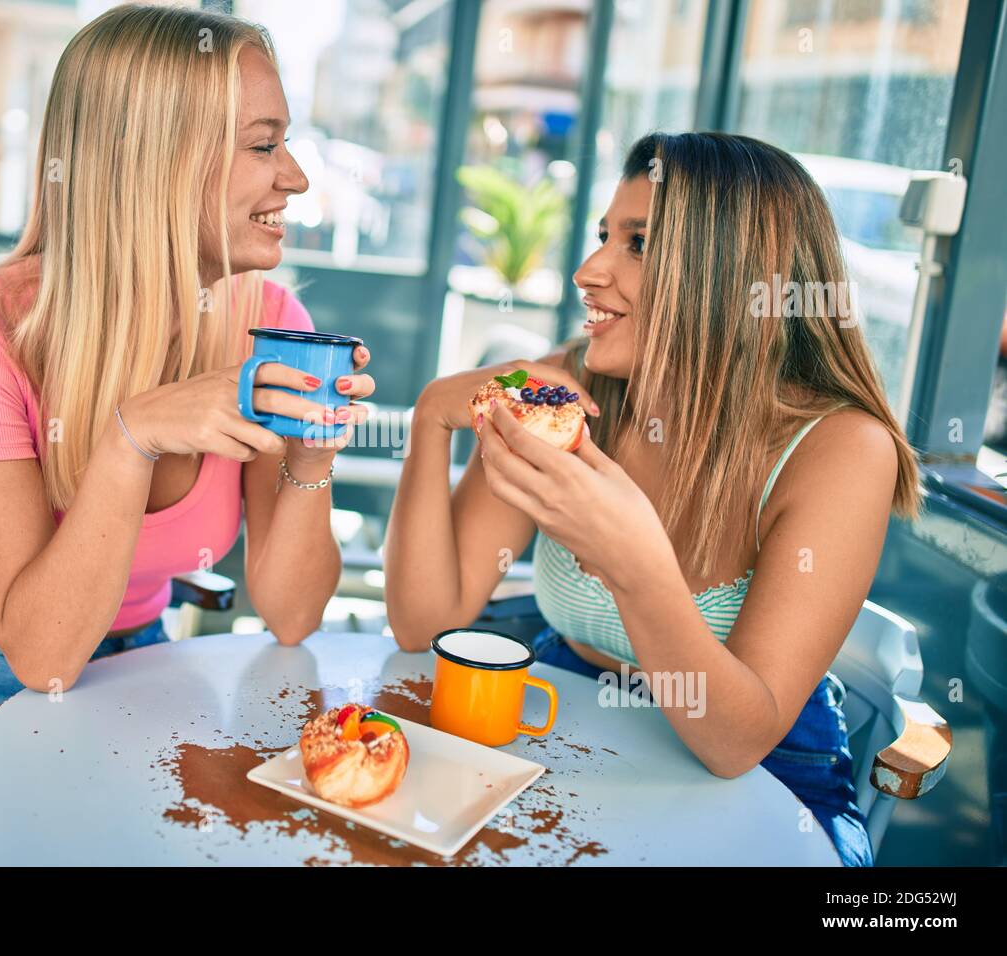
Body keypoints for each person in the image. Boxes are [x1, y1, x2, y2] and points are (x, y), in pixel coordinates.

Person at [0, 4, 374, 866]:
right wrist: (131, 440)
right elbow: (44, 658)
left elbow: (291, 613)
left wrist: (312, 459)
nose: (298, 179)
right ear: (156, 159)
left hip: (140, 674)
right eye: (265, 145)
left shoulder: (271, 322)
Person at [386, 132, 920, 867]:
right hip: (558, 722)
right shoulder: (566, 388)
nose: (587, 269)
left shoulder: (841, 450)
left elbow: (734, 744)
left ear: (732, 276)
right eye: (606, 235)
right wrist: (429, 421)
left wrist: (632, 560)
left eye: (638, 244)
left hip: (767, 778)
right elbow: (423, 621)